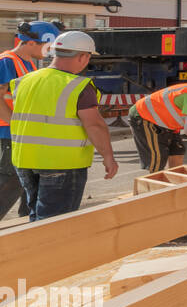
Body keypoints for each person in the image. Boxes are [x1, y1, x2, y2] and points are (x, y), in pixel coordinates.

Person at [0, 31, 117, 221]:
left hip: (25, 161)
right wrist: (108, 157)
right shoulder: (79, 85)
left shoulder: (24, 81)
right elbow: (94, 125)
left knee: (37, 218)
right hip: (62, 163)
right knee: (56, 225)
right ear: (83, 56)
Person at [0, 20, 59, 219]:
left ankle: (28, 223)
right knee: (11, 180)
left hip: (21, 132)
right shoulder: (7, 61)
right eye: (47, 46)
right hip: (8, 132)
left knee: (29, 181)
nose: (49, 51)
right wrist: (15, 125)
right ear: (31, 42)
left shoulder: (30, 64)